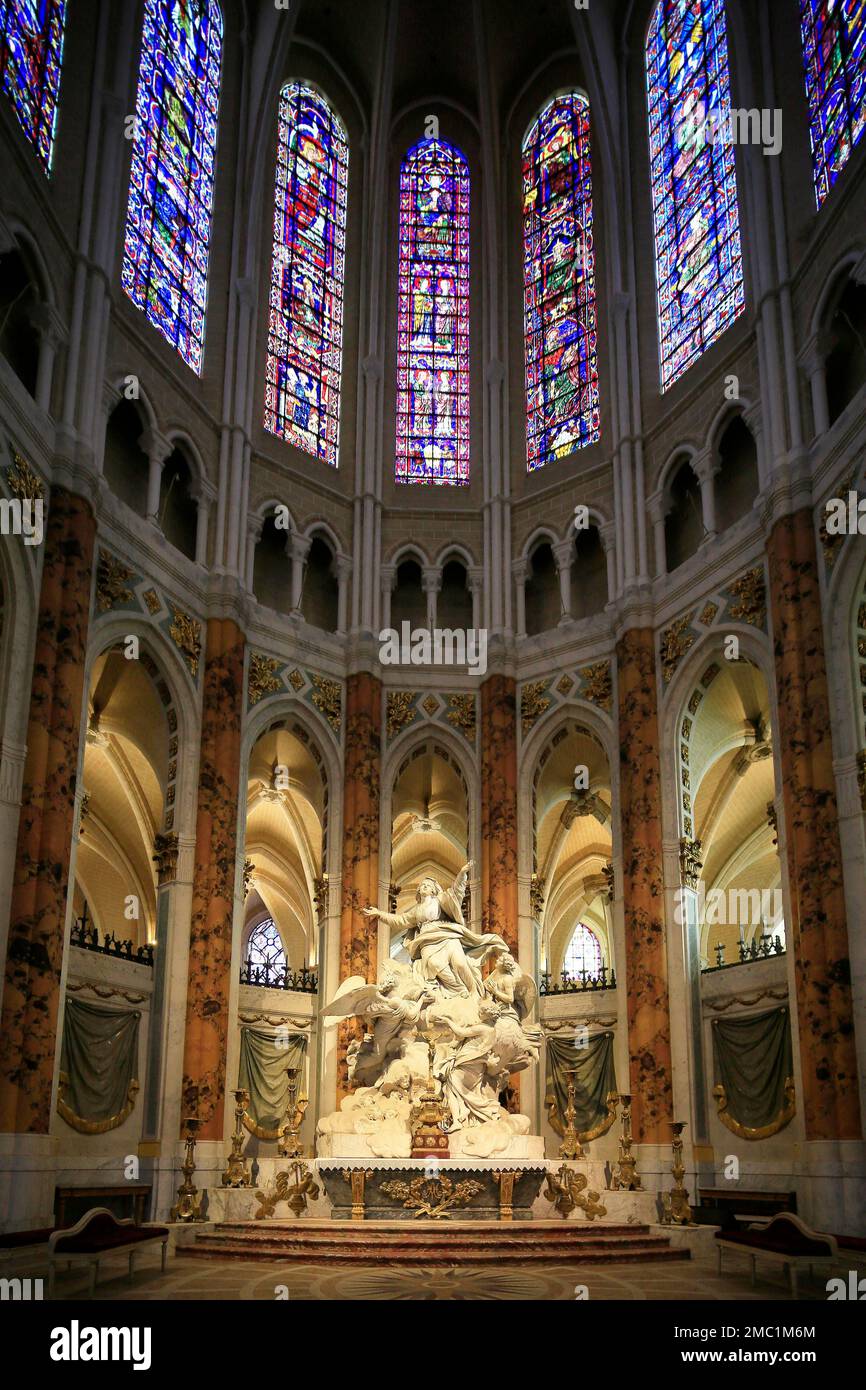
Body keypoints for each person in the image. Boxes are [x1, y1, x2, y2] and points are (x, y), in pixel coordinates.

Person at [362, 862, 507, 997]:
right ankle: (459, 990)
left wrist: (462, 874)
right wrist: (379, 914)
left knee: (460, 963)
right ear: (418, 890)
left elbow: (457, 892)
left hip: (446, 935)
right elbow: (400, 920)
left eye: (427, 885)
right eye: (422, 885)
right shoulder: (416, 910)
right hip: (426, 940)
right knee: (434, 965)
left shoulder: (441, 900)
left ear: (433, 890)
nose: (424, 886)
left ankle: (474, 992)